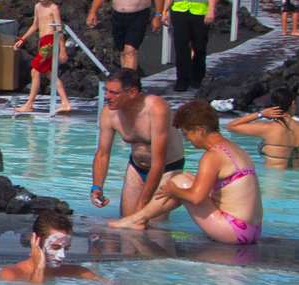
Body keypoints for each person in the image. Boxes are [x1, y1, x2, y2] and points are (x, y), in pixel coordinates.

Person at [111, 99, 262, 245]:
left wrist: (173, 190)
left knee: (179, 181)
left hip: (233, 232)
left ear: (200, 130)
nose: (188, 139)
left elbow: (196, 198)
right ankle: (138, 219)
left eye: (187, 133)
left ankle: (136, 220)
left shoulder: (213, 156)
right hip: (251, 231)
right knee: (188, 178)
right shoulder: (235, 149)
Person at [11, 0, 72, 114]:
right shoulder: (37, 7)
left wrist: (63, 49)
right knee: (51, 74)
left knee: (35, 71)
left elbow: (59, 29)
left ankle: (29, 103)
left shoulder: (54, 8)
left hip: (50, 41)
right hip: (43, 41)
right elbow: (35, 25)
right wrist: (22, 39)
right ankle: (65, 102)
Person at [0, 210, 99, 283]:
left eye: (66, 248)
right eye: (55, 247)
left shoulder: (78, 272)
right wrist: (39, 268)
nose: (62, 255)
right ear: (35, 240)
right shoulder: (11, 274)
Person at [228, 92, 299, 169]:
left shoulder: (267, 128)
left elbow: (231, 126)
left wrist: (261, 114)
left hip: (272, 178)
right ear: (293, 103)